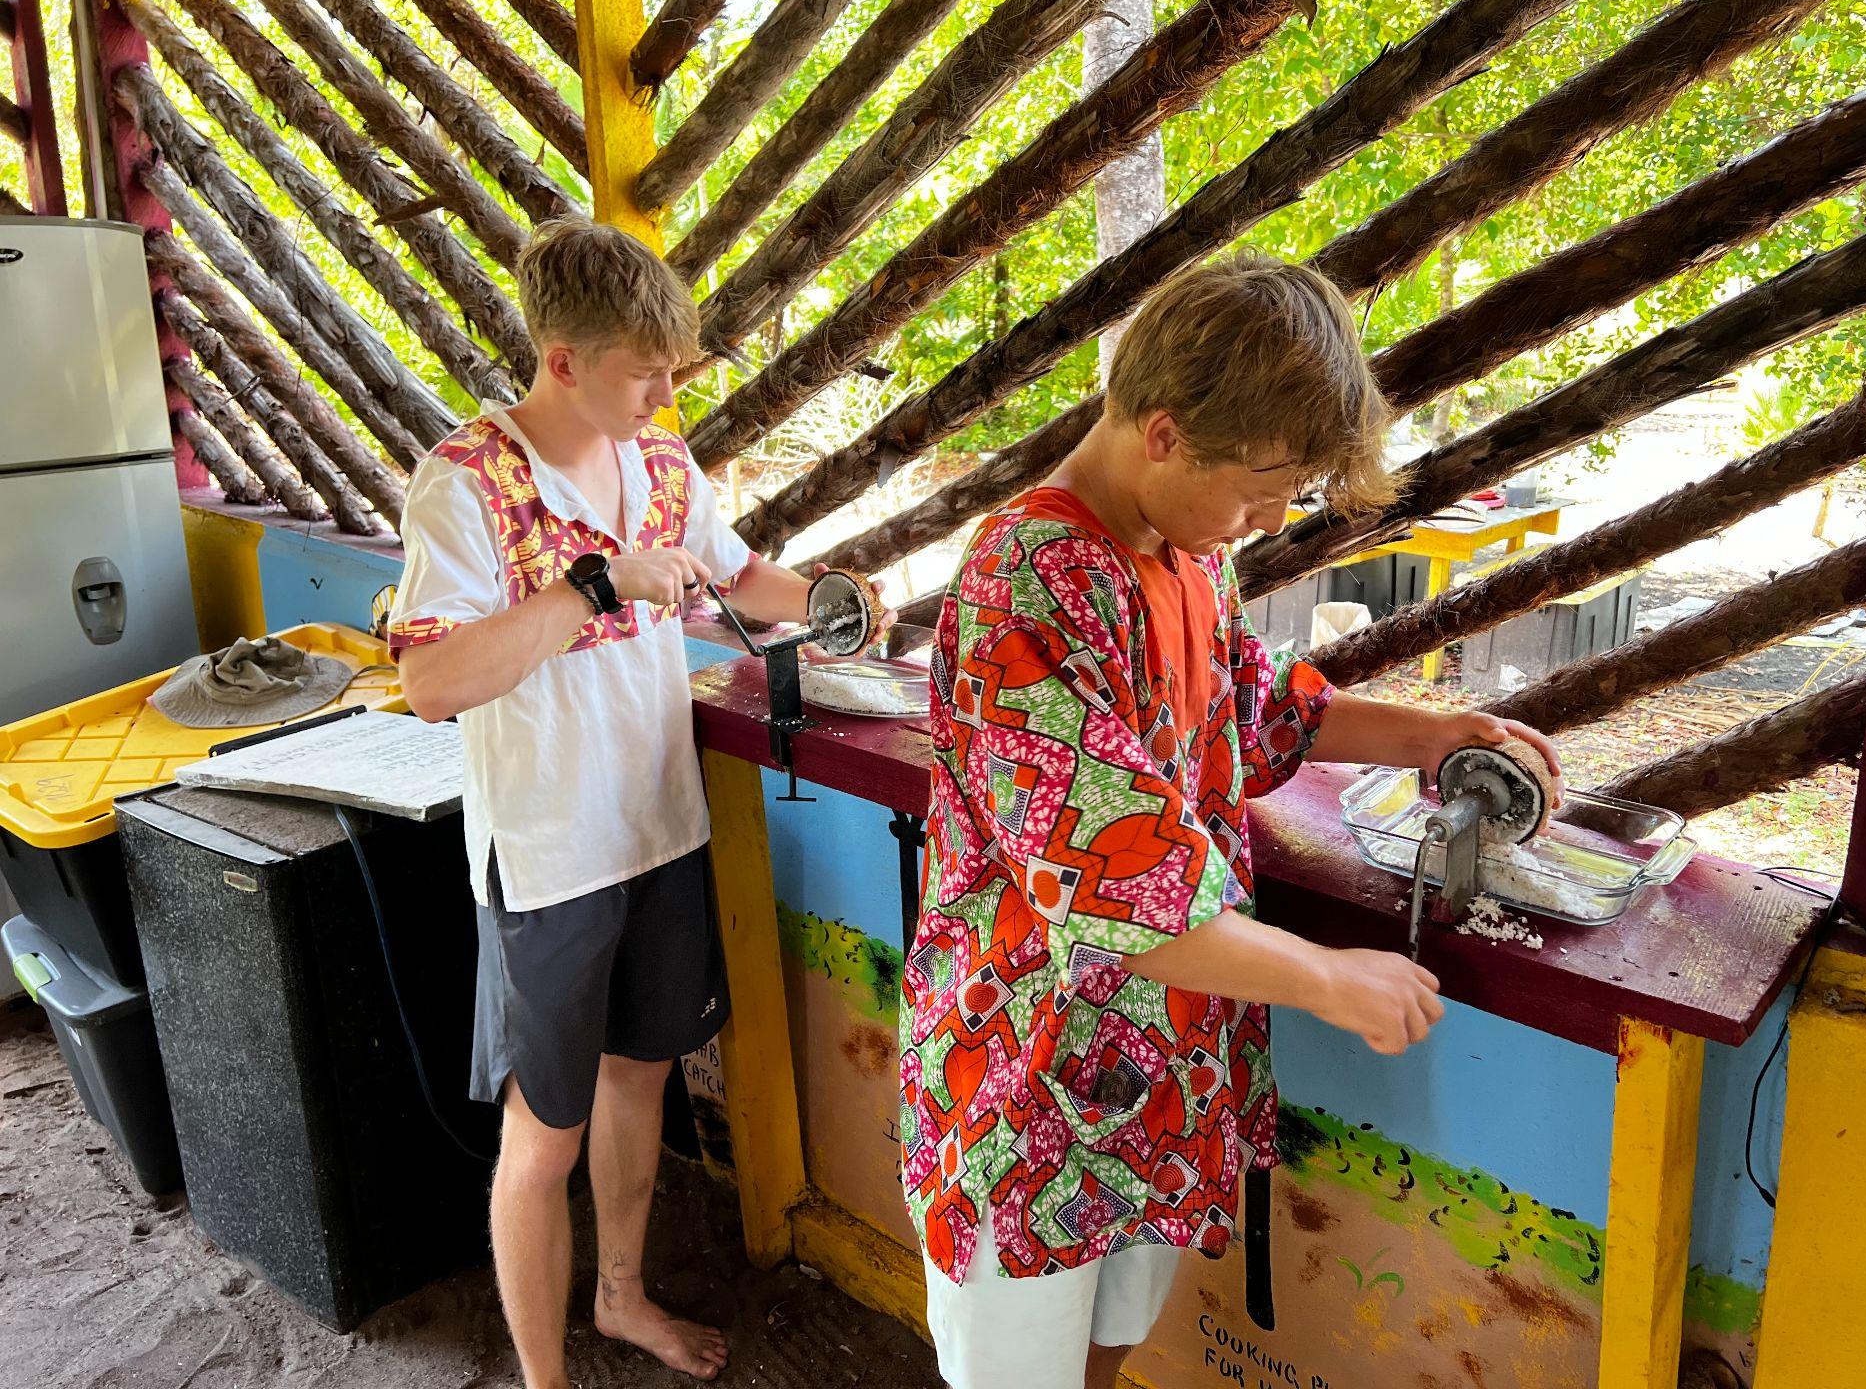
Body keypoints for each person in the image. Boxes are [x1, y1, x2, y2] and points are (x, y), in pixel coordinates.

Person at [900, 255, 1561, 1389]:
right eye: (1261, 489)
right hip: (1025, 1083)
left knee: (1104, 1348)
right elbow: (1111, 893)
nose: (1270, 517)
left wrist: (1434, 736)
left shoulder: (1180, 555)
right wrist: (1324, 978)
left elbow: (1245, 712)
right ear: (1160, 435)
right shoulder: (1028, 588)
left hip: (1150, 1075)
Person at [389, 217, 848, 1387]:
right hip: (547, 855)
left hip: (658, 827)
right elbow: (432, 680)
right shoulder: (465, 483)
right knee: (544, 1135)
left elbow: (740, 579)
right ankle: (544, 1379)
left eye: (671, 369)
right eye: (644, 371)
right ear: (561, 360)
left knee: (640, 1076)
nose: (663, 392)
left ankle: (622, 1299)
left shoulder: (662, 467)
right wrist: (595, 586)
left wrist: (837, 598)